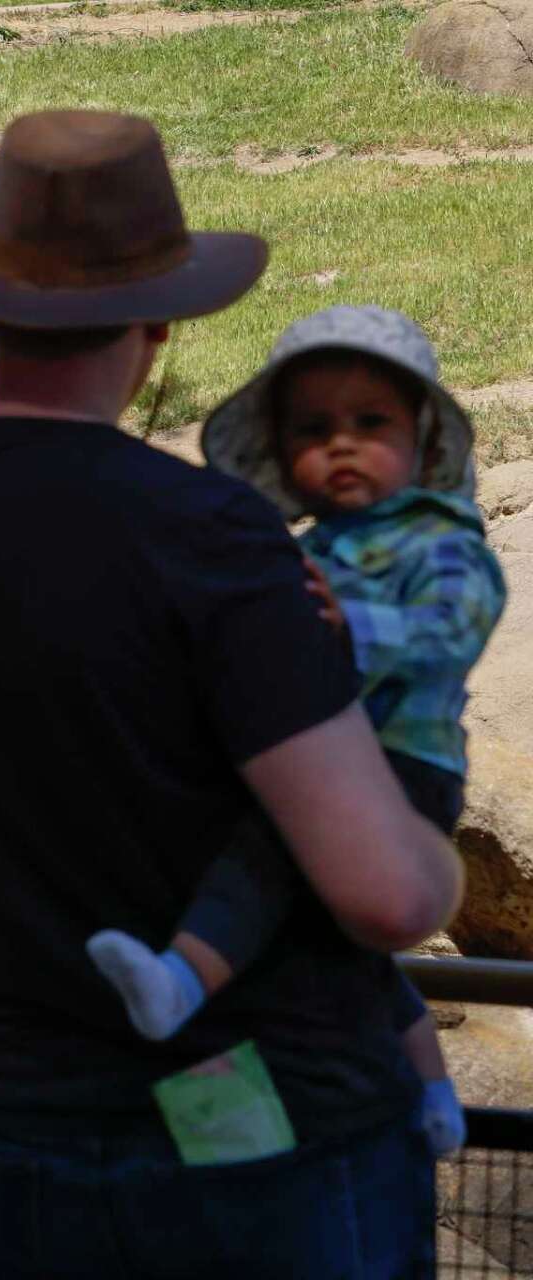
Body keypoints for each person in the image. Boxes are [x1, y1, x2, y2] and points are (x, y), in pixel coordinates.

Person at [0, 110, 463, 1278]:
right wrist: (437, 854)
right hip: (254, 1114)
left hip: (24, 1119)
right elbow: (383, 895)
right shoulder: (210, 534)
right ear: (162, 320)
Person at [87, 305, 504, 1163]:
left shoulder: (438, 536)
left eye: (370, 423)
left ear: (424, 445)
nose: (342, 444)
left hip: (400, 767)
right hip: (289, 1093)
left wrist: (351, 626)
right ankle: (432, 1095)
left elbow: (457, 619)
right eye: (314, 429)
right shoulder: (305, 548)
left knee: (268, 859)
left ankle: (181, 983)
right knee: (331, 945)